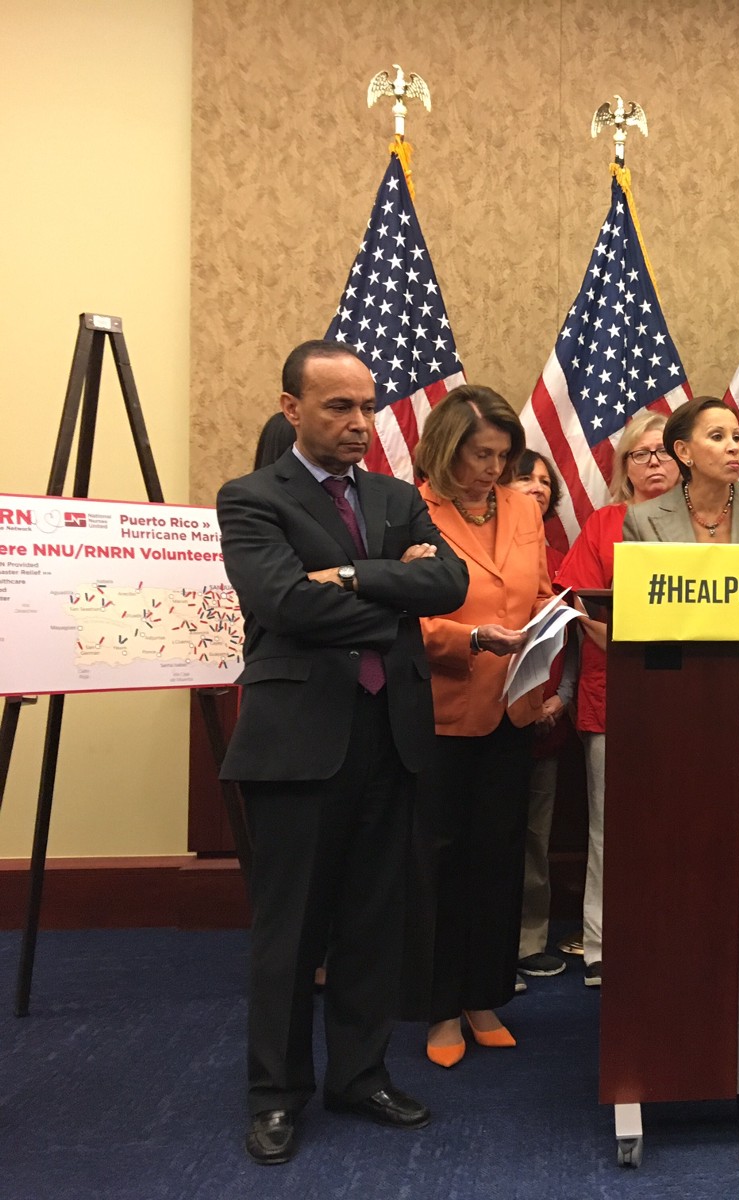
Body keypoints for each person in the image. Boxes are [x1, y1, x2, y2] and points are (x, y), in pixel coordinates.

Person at [217, 340, 468, 1165]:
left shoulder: (398, 496)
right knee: (290, 933)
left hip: (389, 738)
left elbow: (449, 587)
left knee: (372, 923)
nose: (360, 422)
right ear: (292, 408)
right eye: (338, 407)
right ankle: (275, 1094)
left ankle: (359, 1076)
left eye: (368, 406)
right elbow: (280, 603)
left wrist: (351, 582)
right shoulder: (252, 497)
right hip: (298, 744)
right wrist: (390, 585)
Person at [408, 387, 553, 1068]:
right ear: (444, 447)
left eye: (502, 455)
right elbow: (411, 618)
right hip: (443, 712)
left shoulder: (523, 505)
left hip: (514, 707)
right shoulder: (414, 510)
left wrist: (557, 625)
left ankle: (482, 994)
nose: (492, 468)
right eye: (479, 455)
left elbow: (541, 589)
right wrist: (471, 640)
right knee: (441, 860)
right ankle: (437, 1005)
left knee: (498, 857)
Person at [551, 410, 678, 986]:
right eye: (640, 454)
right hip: (615, 693)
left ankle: (675, 933)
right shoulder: (604, 524)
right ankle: (602, 944)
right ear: (625, 466)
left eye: (662, 451)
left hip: (693, 696)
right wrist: (628, 639)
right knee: (610, 826)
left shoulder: (708, 524)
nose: (653, 463)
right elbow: (573, 604)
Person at [510, 450, 578, 983]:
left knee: (535, 836)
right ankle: (482, 948)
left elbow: (575, 640)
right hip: (489, 720)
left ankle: (529, 939)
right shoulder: (490, 549)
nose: (535, 487)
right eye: (522, 477)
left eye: (542, 481)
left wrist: (561, 700)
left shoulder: (561, 558)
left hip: (547, 724)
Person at [624, 397, 739, 544]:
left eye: (736, 437)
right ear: (683, 451)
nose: (734, 447)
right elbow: (635, 583)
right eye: (717, 436)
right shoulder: (642, 520)